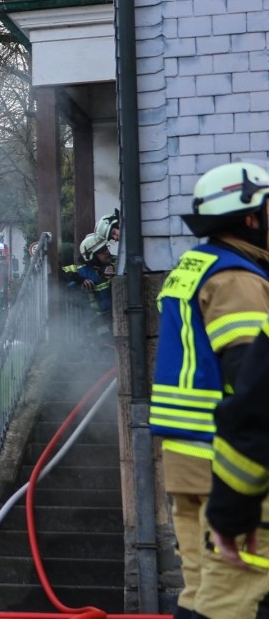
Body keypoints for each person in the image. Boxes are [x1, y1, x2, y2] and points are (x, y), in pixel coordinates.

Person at [152, 162, 269, 619]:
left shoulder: (191, 269)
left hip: (186, 462)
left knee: (200, 594)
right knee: (233, 600)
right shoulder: (238, 280)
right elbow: (252, 380)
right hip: (230, 467)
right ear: (250, 218)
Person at [64, 233, 116, 315]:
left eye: (106, 248)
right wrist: (80, 279)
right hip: (95, 319)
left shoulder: (116, 263)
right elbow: (61, 272)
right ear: (92, 256)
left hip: (115, 314)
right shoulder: (81, 270)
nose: (107, 252)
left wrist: (113, 272)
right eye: (102, 251)